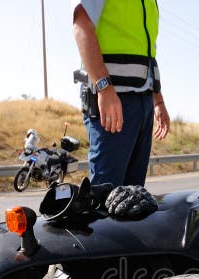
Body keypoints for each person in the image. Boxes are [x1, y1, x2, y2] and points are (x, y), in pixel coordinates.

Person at [71, 0, 170, 187]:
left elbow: (148, 53)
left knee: (133, 200)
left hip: (143, 103)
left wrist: (158, 101)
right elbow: (82, 24)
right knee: (107, 197)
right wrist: (104, 87)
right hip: (112, 102)